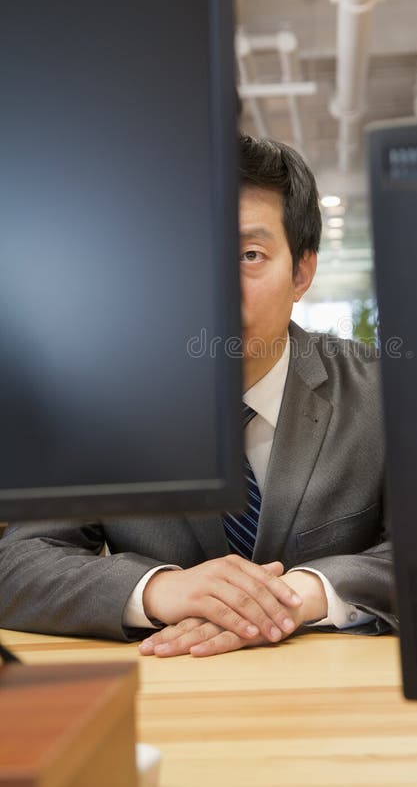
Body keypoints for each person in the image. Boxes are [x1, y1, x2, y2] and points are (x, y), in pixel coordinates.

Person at [0, 134, 395, 658]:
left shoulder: (381, 393)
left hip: (335, 697)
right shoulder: (102, 402)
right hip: (168, 692)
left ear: (302, 272)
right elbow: (17, 562)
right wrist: (159, 589)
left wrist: (297, 595)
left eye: (250, 255)